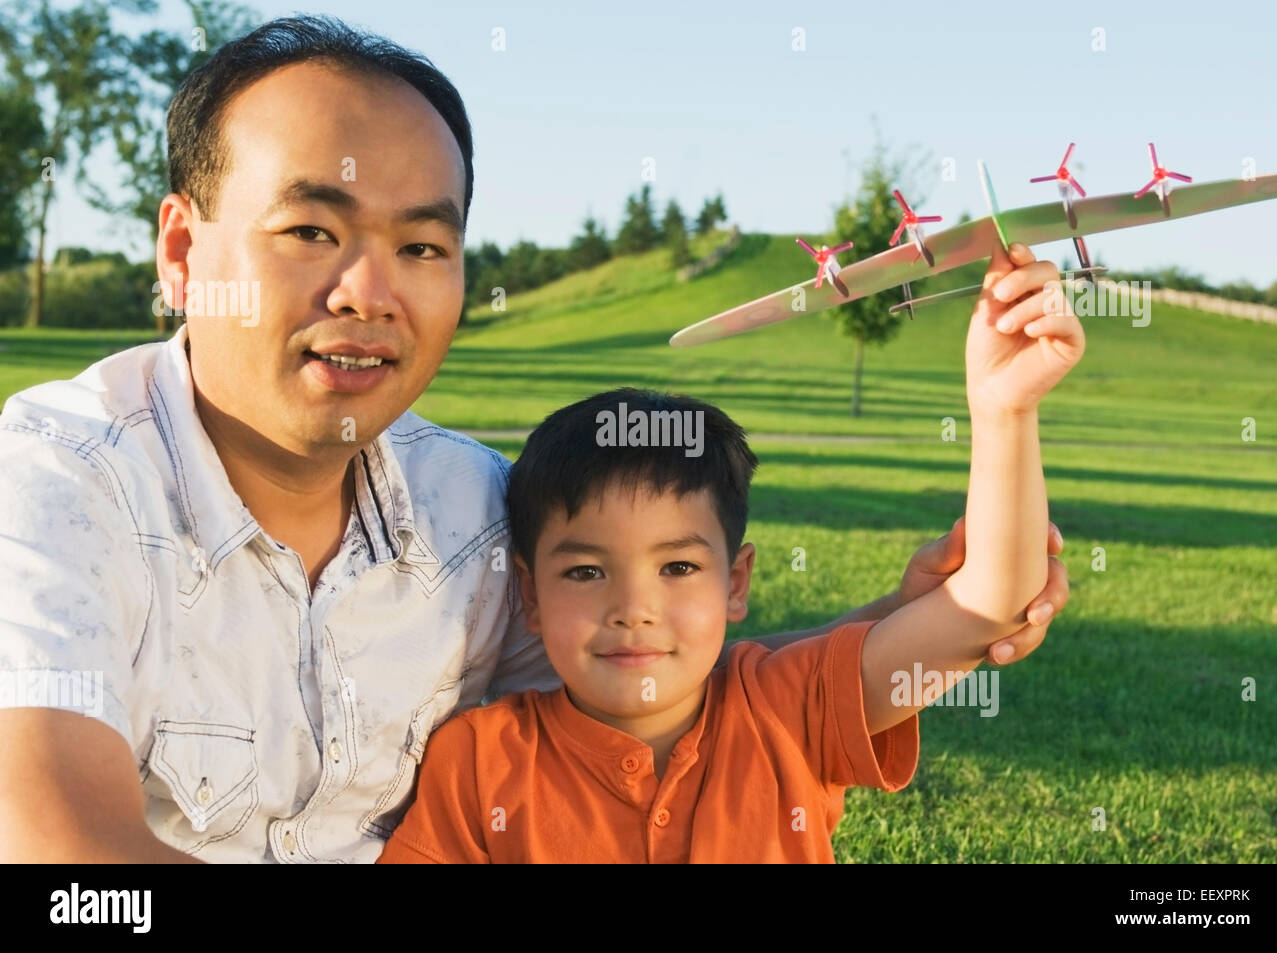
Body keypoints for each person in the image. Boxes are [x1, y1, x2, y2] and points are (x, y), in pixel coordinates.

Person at [0, 15, 1068, 863]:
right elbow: (62, 856)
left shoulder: (470, 505)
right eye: (311, 231)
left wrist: (902, 618)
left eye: (422, 244)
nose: (368, 291)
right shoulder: (64, 479)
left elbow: (641, 673)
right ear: (184, 251)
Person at [378, 244, 1084, 862]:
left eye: (678, 566)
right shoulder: (479, 760)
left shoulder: (788, 705)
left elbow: (991, 603)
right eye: (587, 571)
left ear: (735, 580)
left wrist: (1004, 411)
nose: (633, 610)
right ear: (529, 594)